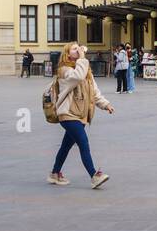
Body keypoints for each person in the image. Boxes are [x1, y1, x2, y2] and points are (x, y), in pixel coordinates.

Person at [48, 41, 113, 189]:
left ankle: (54, 173)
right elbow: (77, 76)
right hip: (68, 114)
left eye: (79, 48)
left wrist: (105, 104)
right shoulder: (64, 70)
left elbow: (94, 91)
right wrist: (82, 57)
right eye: (74, 49)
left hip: (81, 115)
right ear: (67, 53)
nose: (78, 50)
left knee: (65, 147)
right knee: (83, 142)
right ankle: (94, 175)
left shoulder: (85, 70)